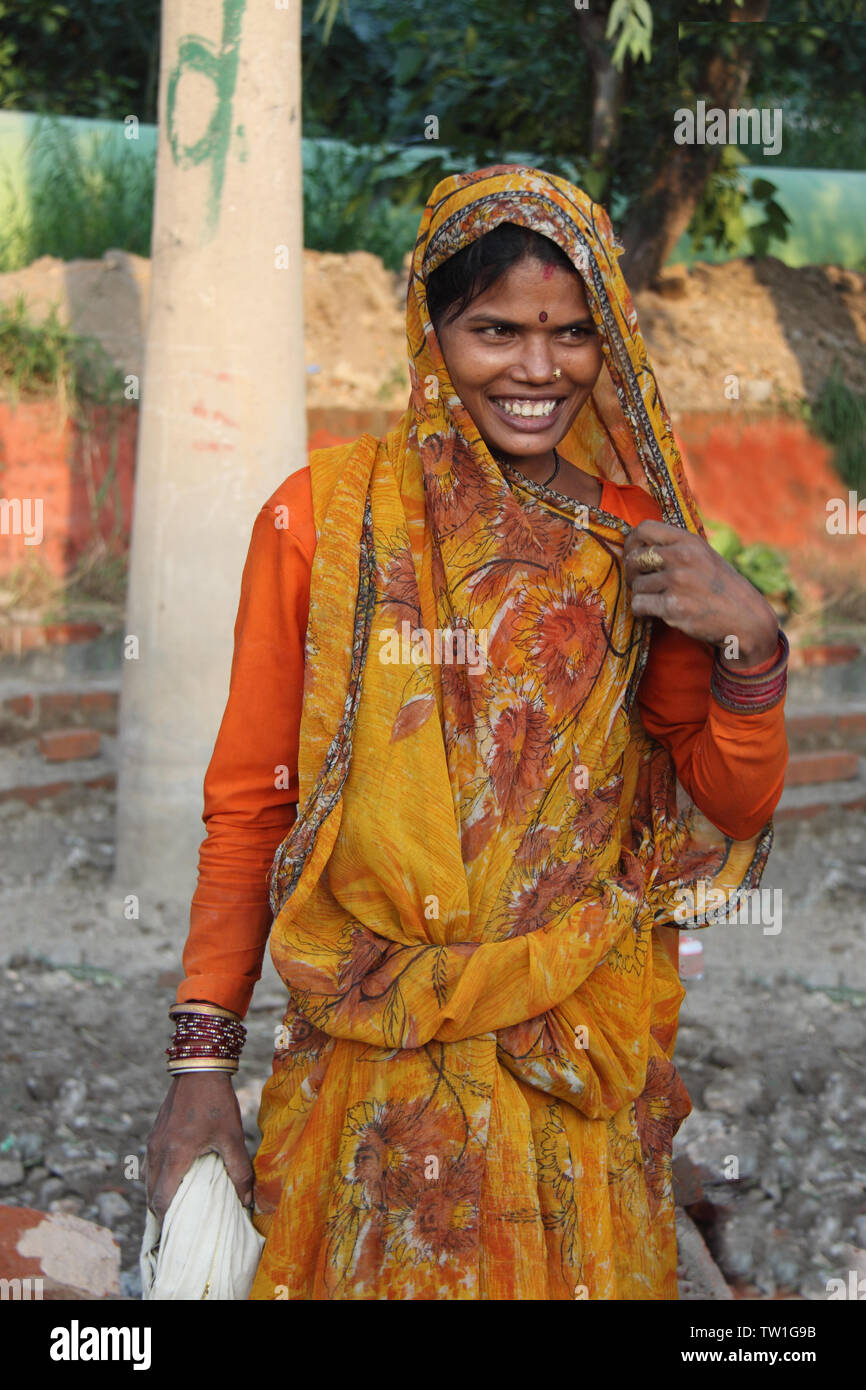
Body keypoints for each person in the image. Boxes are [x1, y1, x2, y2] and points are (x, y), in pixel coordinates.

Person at [145, 165, 789, 1300]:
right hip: (370, 1043)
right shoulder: (323, 519)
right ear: (428, 332)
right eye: (493, 330)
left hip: (572, 1052)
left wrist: (749, 644)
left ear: (609, 345)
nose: (536, 370)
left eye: (570, 334)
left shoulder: (637, 544)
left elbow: (727, 804)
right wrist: (201, 1067)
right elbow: (255, 800)